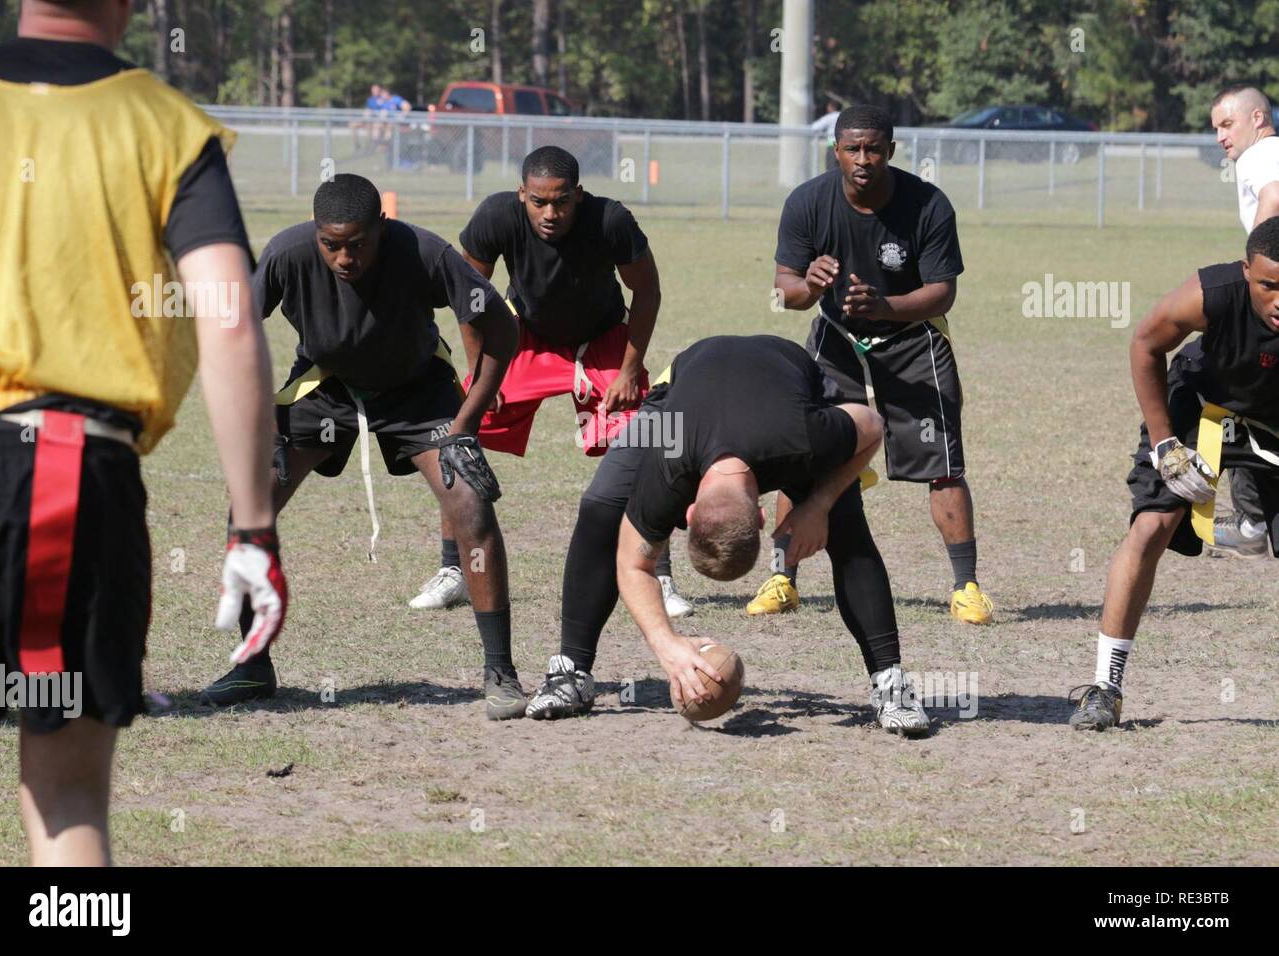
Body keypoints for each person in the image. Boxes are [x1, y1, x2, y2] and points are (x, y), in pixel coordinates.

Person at [0, 0, 285, 865]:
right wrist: (253, 524)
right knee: (70, 800)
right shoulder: (165, 123)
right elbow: (229, 318)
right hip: (73, 475)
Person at [198, 174, 528, 720]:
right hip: (324, 387)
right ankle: (253, 664)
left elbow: (502, 330)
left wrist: (465, 423)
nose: (344, 256)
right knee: (250, 508)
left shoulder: (424, 251)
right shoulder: (287, 253)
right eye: (332, 244)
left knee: (471, 507)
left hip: (417, 390)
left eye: (358, 243)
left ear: (382, 227)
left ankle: (501, 673)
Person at [524, 334, 930, 736]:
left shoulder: (806, 440)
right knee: (600, 506)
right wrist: (667, 645)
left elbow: (872, 426)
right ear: (757, 515)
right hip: (679, 394)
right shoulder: (667, 462)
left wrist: (818, 505)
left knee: (845, 527)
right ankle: (570, 672)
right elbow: (632, 562)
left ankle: (890, 682)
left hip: (788, 385)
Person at [410, 145, 695, 618]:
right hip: (524, 335)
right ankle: (456, 570)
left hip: (601, 339)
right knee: (460, 434)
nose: (550, 212)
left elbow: (647, 290)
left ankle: (657, 574)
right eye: (539, 201)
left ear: (578, 195)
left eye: (561, 201)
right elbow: (470, 299)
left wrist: (628, 368)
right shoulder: (495, 216)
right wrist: (482, 370)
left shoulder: (610, 221)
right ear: (521, 194)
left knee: (651, 440)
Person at [746, 104, 994, 627]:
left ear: (891, 151)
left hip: (913, 341)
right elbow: (783, 291)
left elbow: (943, 292)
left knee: (943, 464)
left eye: (874, 148)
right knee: (803, 456)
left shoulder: (927, 204)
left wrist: (885, 307)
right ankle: (781, 577)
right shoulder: (808, 202)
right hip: (836, 341)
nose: (863, 159)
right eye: (853, 148)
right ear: (836, 151)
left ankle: (966, 586)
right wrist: (809, 287)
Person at [1070, 217, 1279, 731]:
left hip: (1271, 424)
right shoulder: (1211, 293)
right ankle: (1104, 687)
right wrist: (1165, 445)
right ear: (1246, 270)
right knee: (1152, 527)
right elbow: (1145, 344)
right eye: (1269, 285)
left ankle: (1247, 524)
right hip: (1201, 408)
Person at [1204, 86, 1279, 556]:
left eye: (1226, 124)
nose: (1219, 137)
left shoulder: (1262, 154)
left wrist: (1255, 267)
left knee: (1243, 393)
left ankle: (1252, 521)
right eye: (1214, 128)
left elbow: (1274, 195)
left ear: (1257, 117)